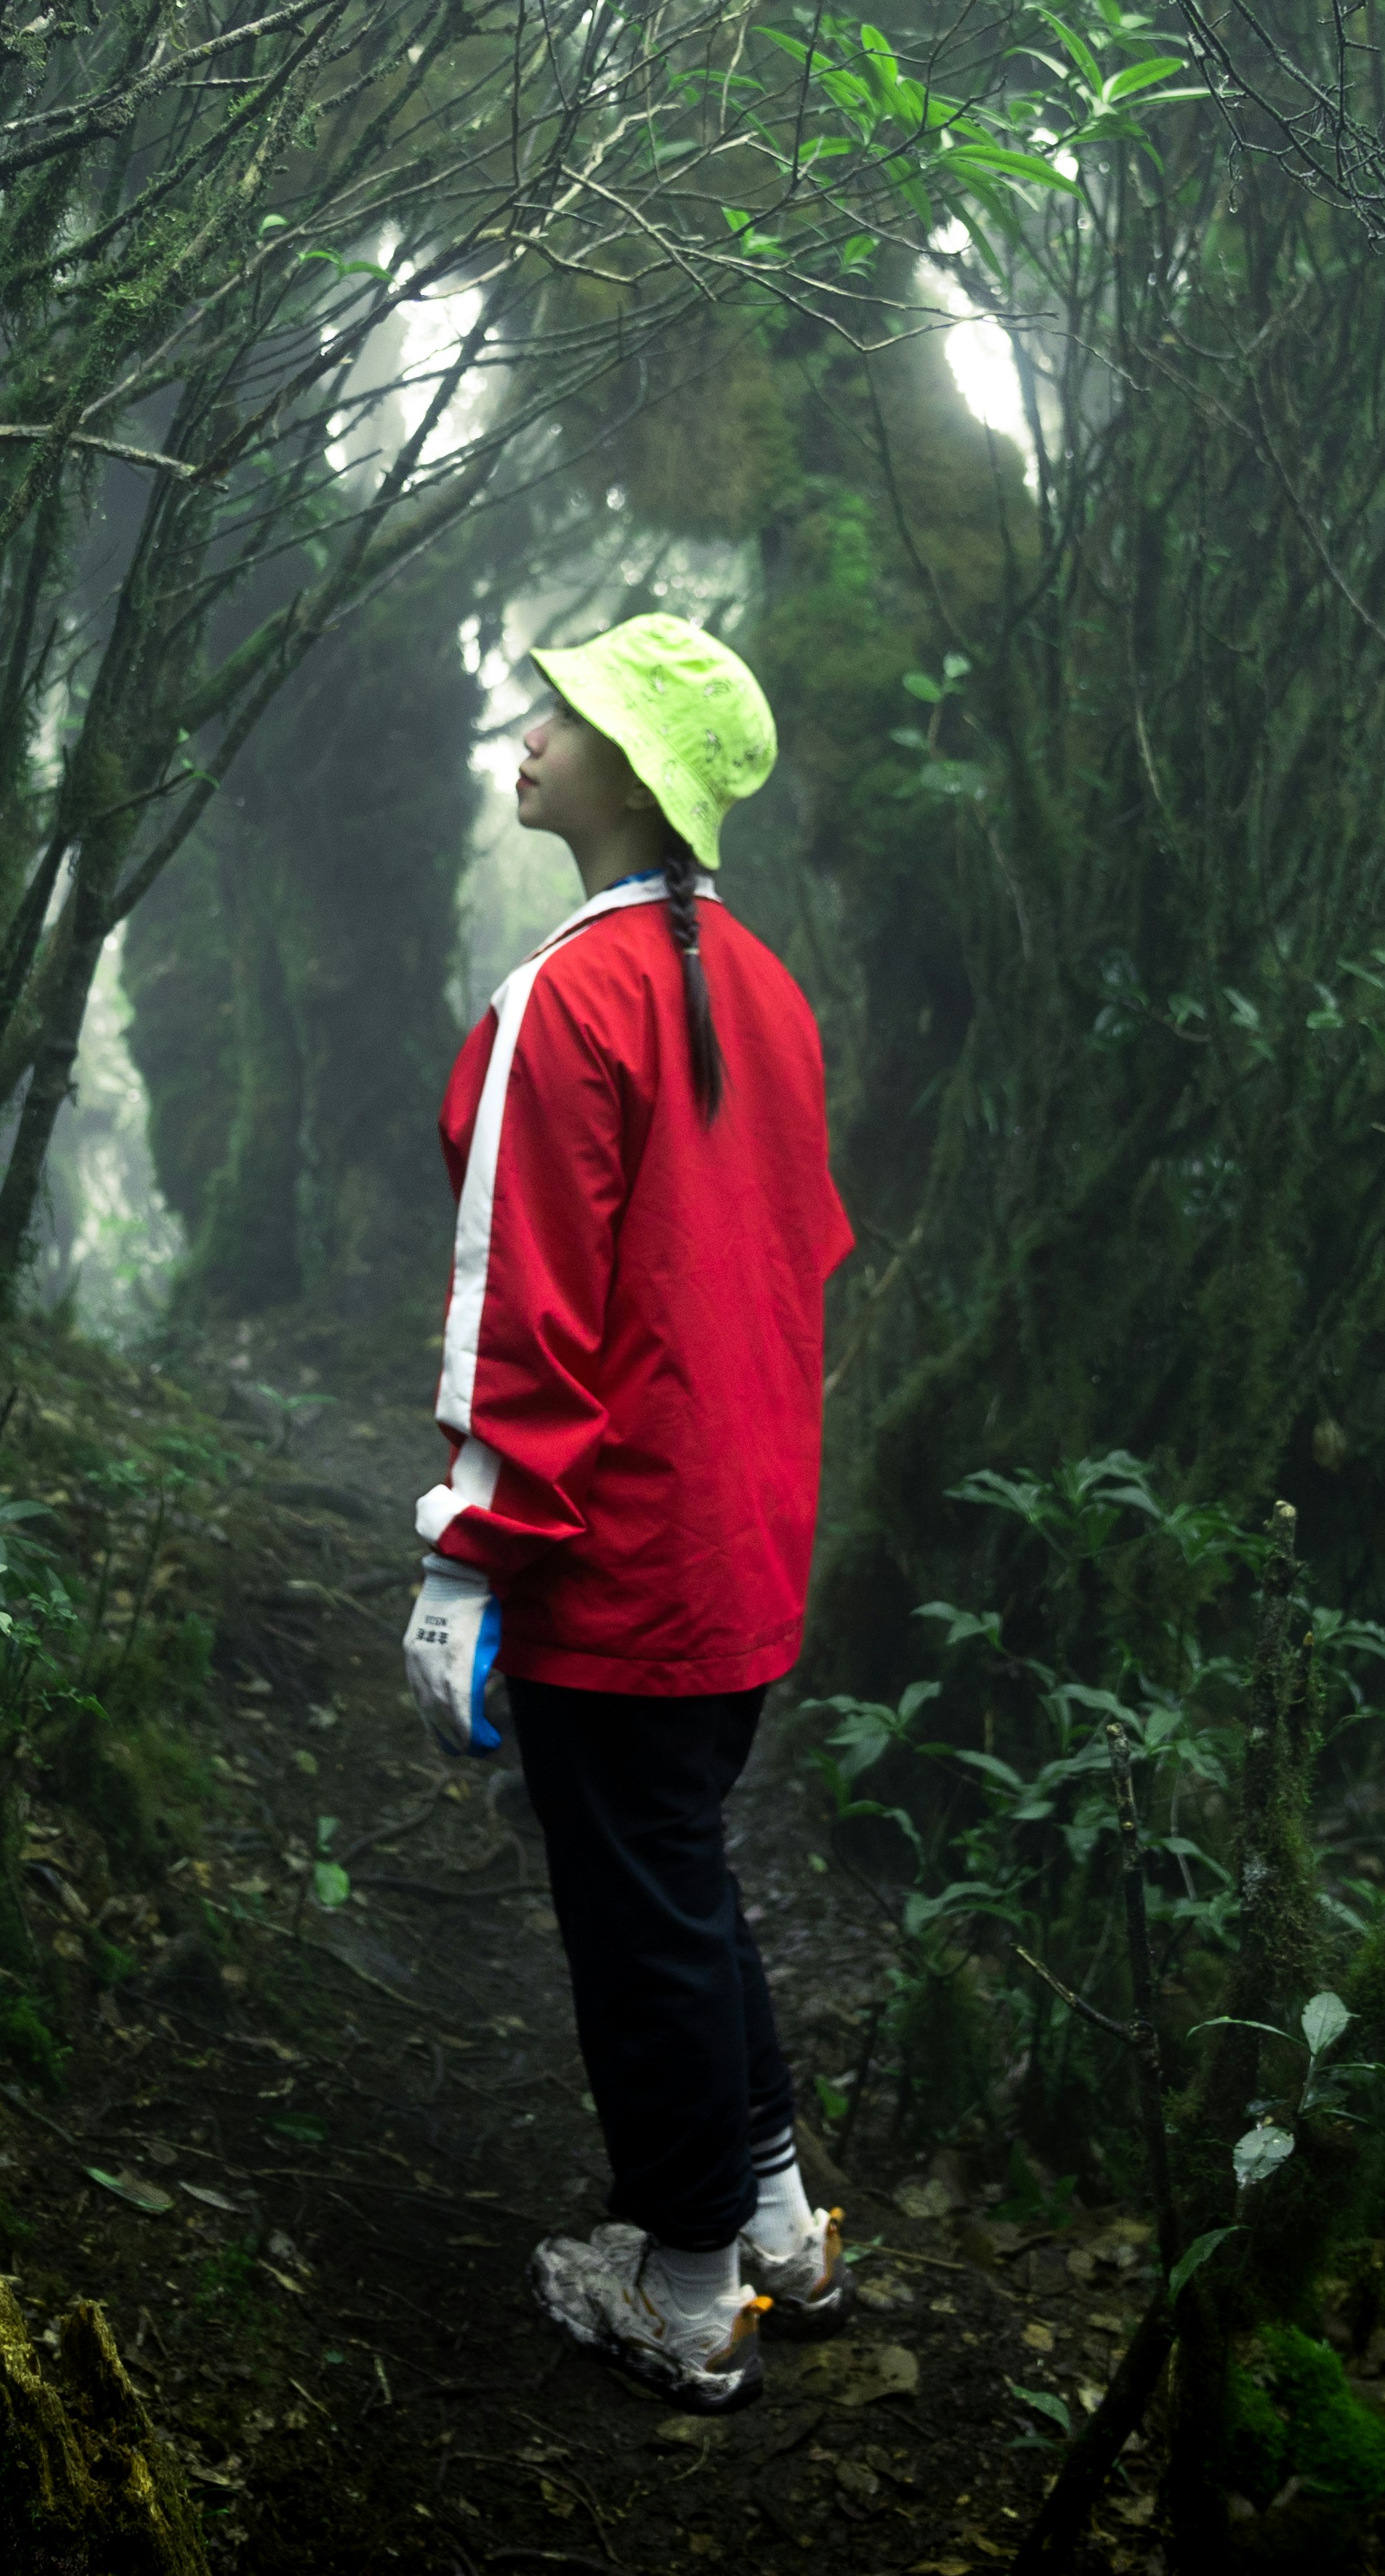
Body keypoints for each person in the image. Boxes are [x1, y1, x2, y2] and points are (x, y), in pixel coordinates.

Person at [397, 615, 855, 2409]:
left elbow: (525, 1309)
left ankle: (680, 2285)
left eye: (565, 714)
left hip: (617, 1558)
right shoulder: (771, 990)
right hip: (741, 1545)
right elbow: (799, 1267)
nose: (529, 731)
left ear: (635, 772)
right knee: (687, 1872)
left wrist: (464, 1557)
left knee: (637, 1907)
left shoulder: (563, 1001)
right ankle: (780, 2220)